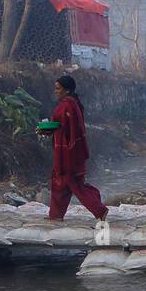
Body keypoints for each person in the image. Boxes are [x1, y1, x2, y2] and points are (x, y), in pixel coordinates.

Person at [45, 74, 108, 221]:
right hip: (68, 151)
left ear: (66, 90)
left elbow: (69, 130)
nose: (55, 91)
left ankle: (100, 210)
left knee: (74, 185)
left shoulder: (68, 105)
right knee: (60, 184)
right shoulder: (72, 104)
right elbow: (64, 127)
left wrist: (50, 130)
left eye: (58, 88)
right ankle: (55, 215)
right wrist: (51, 130)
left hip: (68, 153)